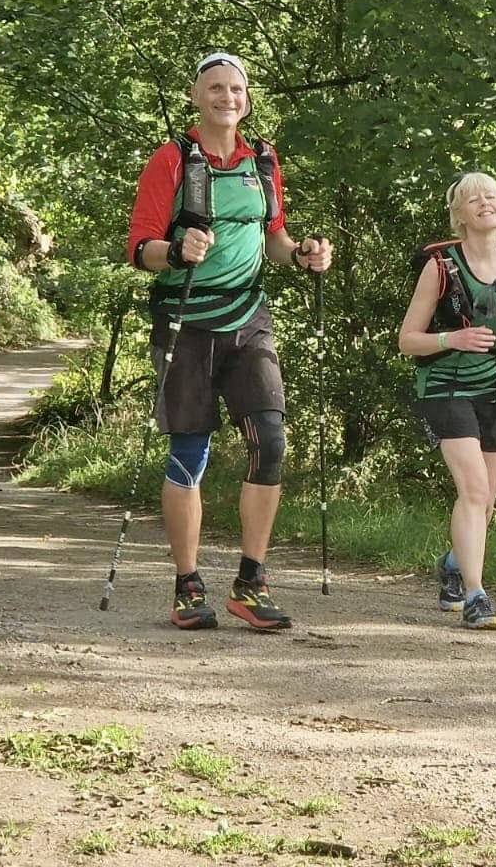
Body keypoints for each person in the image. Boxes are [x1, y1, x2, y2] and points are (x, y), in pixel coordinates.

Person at [125, 51, 332, 632]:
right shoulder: (171, 159)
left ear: (246, 98)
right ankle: (188, 585)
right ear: (197, 97)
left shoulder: (263, 160)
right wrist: (176, 250)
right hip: (185, 322)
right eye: (215, 88)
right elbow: (139, 247)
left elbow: (275, 238)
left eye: (236, 89)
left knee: (270, 441)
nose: (227, 97)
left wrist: (304, 257)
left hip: (249, 319)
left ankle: (252, 582)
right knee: (190, 452)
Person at [398, 172, 496, 631]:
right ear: (458, 214)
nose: (485, 203)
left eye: (492, 196)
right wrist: (453, 337)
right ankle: (477, 596)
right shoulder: (441, 267)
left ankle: (454, 565)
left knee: (487, 499)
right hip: (446, 386)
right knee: (474, 491)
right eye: (473, 198)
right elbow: (408, 341)